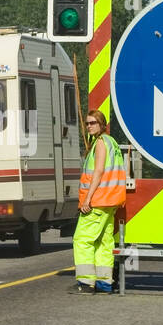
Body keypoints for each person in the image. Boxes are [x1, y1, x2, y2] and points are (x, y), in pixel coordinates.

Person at [71, 110, 127, 294]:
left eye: (93, 122)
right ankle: (104, 282)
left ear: (102, 124)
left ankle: (86, 283)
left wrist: (88, 198)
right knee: (104, 242)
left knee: (82, 240)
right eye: (87, 123)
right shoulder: (112, 143)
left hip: (98, 200)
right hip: (111, 201)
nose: (89, 126)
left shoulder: (101, 143)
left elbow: (99, 172)